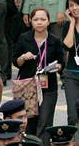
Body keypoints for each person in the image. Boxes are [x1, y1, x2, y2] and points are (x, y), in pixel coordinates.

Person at [13, 8, 65, 136]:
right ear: (31, 21)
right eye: (36, 19)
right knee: (29, 122)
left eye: (43, 19)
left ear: (48, 22)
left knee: (45, 122)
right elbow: (15, 61)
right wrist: (23, 57)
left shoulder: (54, 40)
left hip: (48, 86)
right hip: (27, 85)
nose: (39, 22)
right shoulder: (24, 38)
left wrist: (57, 67)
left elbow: (62, 62)